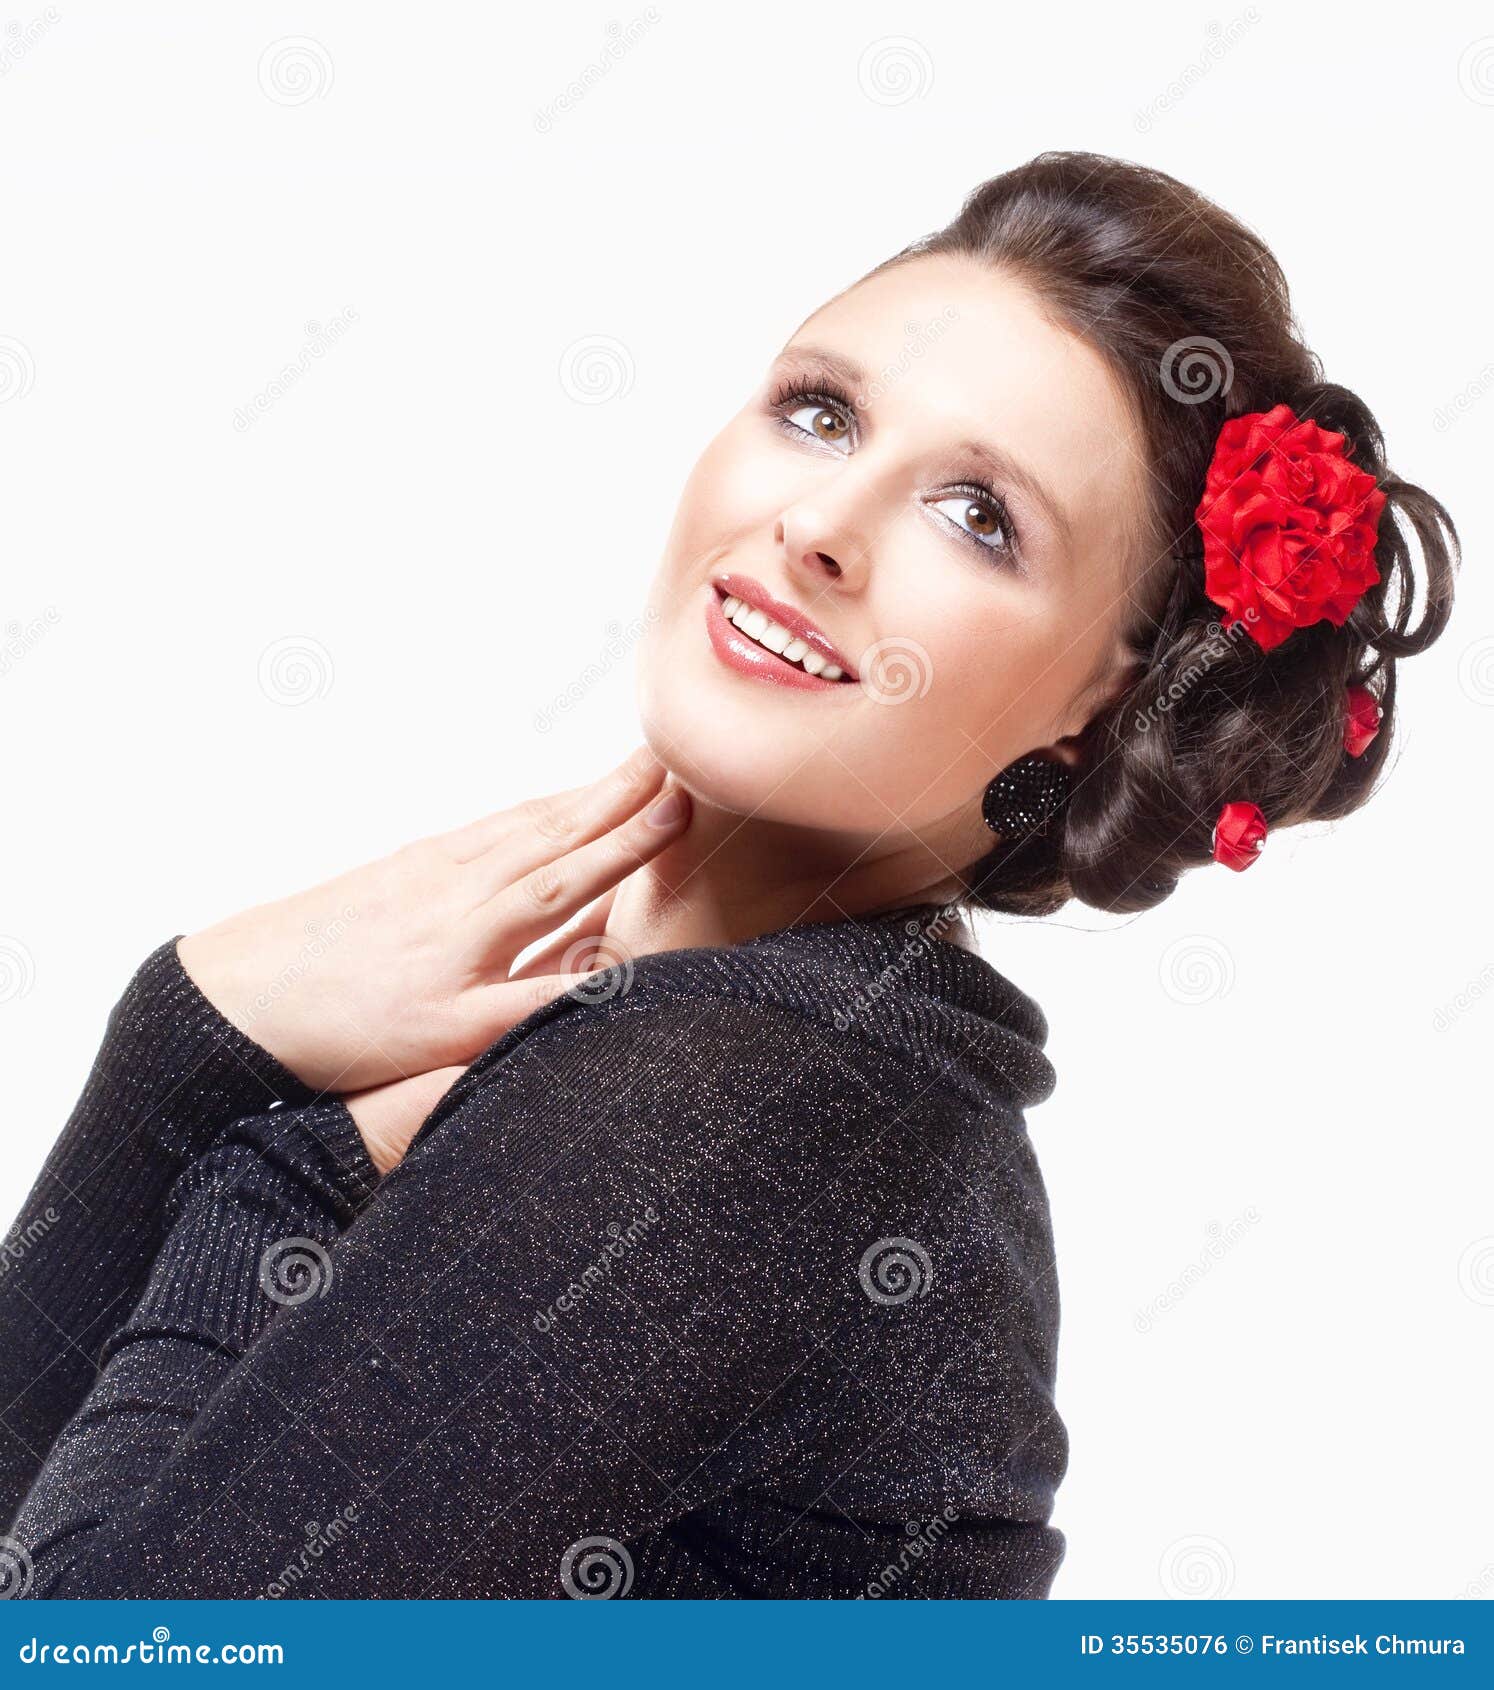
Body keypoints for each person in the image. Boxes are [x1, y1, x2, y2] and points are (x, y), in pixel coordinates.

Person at [0, 151, 1457, 1599]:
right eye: (820, 413)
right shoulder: (744, 1045)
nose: (819, 527)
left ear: (1098, 703)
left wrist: (246, 1104)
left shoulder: (768, 1095)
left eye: (977, 515)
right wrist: (190, 1043)